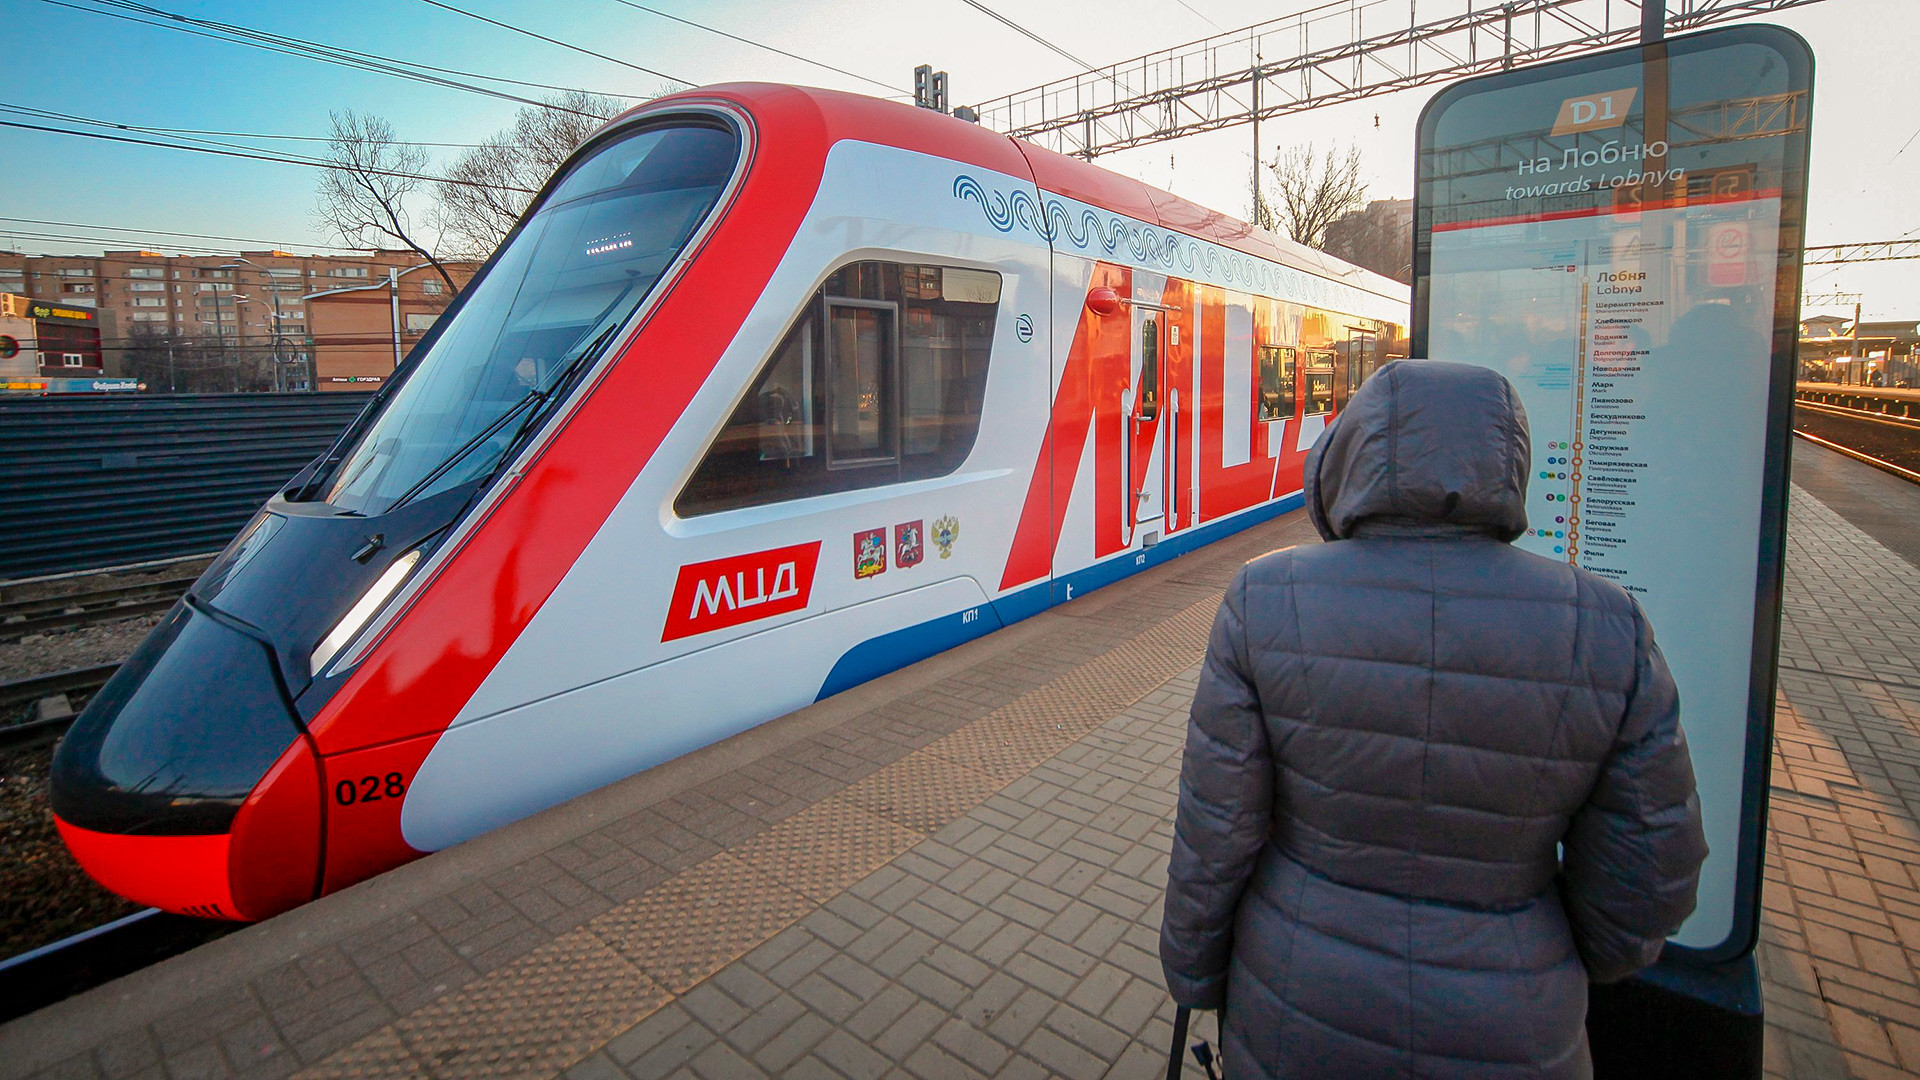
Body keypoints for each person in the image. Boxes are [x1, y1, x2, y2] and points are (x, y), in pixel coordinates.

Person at [1160, 360, 1707, 1079]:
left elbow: (1216, 829)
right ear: (1506, 464)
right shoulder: (1606, 626)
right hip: (1515, 1026)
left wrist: (1195, 973)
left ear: (1351, 457)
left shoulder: (1265, 598)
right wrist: (1553, 956)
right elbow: (1651, 874)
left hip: (1298, 995)